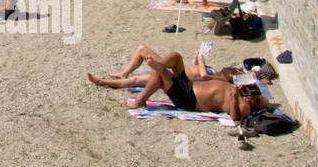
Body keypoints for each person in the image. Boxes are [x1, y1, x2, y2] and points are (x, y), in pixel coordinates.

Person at [93, 51, 268, 124]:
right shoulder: (233, 86)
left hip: (190, 100)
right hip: (189, 86)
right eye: (257, 94)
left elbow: (236, 118)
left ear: (255, 104)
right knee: (176, 56)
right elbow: (208, 77)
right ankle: (160, 66)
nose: (254, 95)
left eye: (258, 99)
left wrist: (231, 98)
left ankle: (141, 100)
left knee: (156, 75)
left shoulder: (243, 106)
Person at [86, 45, 237, 88]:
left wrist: (201, 60)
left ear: (231, 77)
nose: (226, 68)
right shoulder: (217, 72)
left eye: (230, 70)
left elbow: (203, 76)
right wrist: (197, 58)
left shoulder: (219, 78)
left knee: (137, 80)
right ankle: (124, 73)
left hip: (178, 78)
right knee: (141, 49)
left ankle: (102, 82)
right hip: (177, 69)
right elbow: (197, 70)